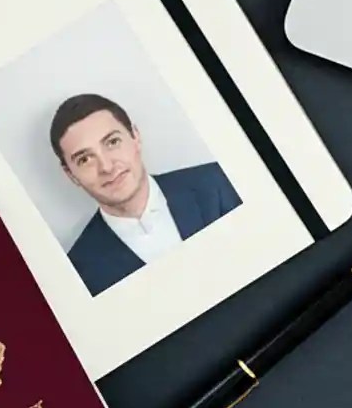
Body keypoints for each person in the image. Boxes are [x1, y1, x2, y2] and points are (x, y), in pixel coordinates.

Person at [50, 93, 240, 295]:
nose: (106, 167)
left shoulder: (220, 181)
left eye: (112, 142)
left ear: (135, 138)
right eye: (85, 159)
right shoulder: (77, 274)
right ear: (71, 174)